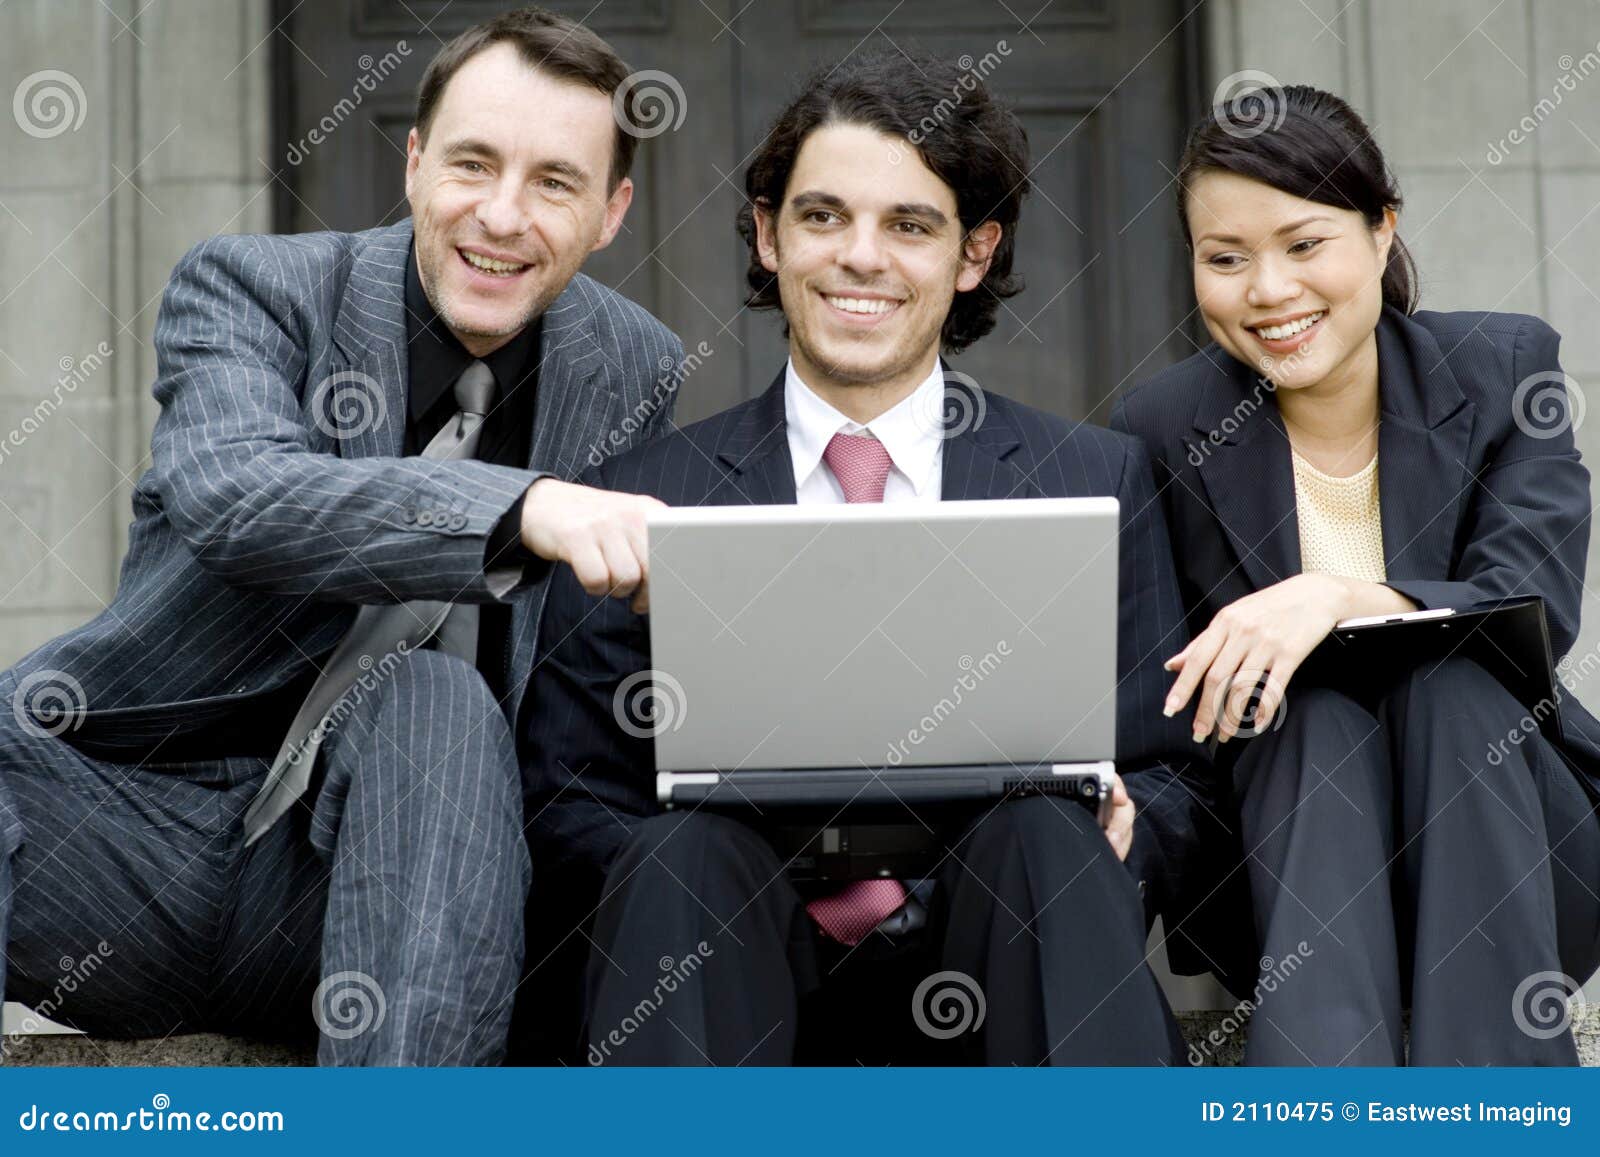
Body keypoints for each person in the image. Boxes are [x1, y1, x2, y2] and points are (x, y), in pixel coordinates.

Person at [0, 6, 676, 1065]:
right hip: (121, 833)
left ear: (610, 211)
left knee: (440, 702)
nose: (502, 215)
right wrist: (520, 507)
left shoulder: (630, 366)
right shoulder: (255, 288)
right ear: (412, 164)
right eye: (471, 164)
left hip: (383, 883)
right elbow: (239, 497)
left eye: (554, 181)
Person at [521, 49, 1219, 1066]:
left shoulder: (1096, 477)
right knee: (676, 855)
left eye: (909, 224)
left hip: (1005, 953)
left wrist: (1124, 825)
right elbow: (567, 793)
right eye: (821, 216)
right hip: (723, 966)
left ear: (973, 252)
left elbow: (1177, 779)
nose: (861, 256)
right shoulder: (639, 495)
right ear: (766, 235)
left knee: (1047, 839)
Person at [1113, 84, 1600, 1065]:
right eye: (1225, 258)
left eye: (1303, 245)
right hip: (1280, 863)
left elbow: (1532, 605)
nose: (1269, 290)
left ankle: (1490, 1106)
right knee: (1307, 709)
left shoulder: (1504, 368)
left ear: (1381, 232)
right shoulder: (1160, 429)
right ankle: (1329, 1104)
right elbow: (1157, 701)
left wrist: (1333, 596)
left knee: (1456, 680)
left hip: (1516, 837)